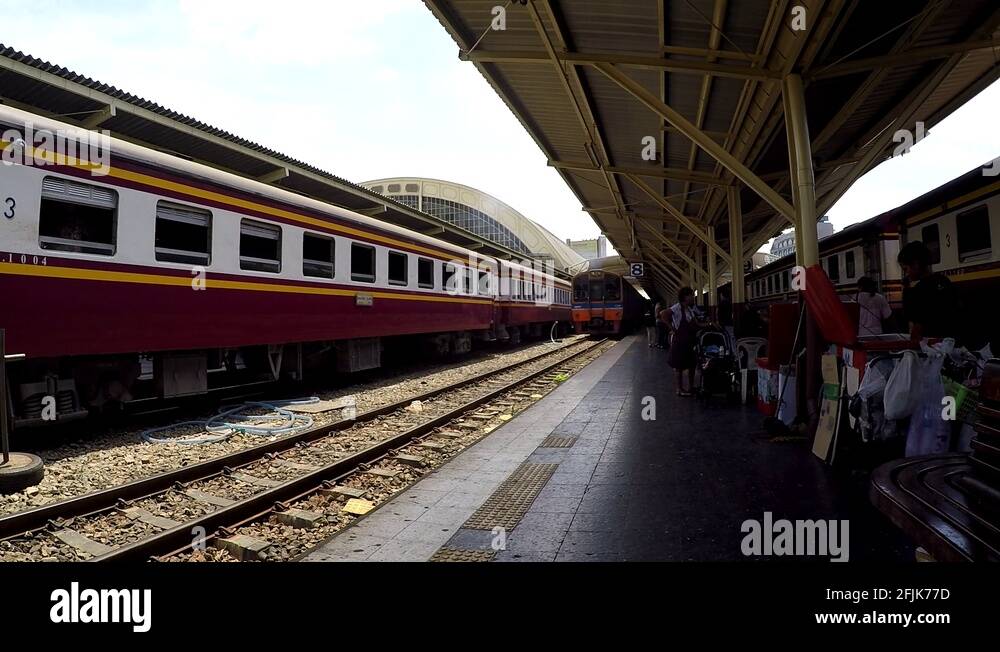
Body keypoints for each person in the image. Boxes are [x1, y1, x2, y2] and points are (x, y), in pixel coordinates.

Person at [897, 241, 961, 341]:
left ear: (916, 264)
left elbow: (916, 325)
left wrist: (906, 290)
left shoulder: (919, 290)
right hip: (950, 341)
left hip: (931, 344)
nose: (906, 273)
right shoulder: (945, 281)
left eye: (905, 269)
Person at [667, 287, 711, 396]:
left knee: (691, 364)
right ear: (685, 296)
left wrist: (709, 324)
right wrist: (672, 329)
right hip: (680, 341)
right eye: (691, 295)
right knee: (679, 366)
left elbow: (696, 324)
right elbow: (663, 314)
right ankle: (679, 389)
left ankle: (690, 387)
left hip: (689, 341)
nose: (693, 297)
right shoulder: (677, 308)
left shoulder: (689, 309)